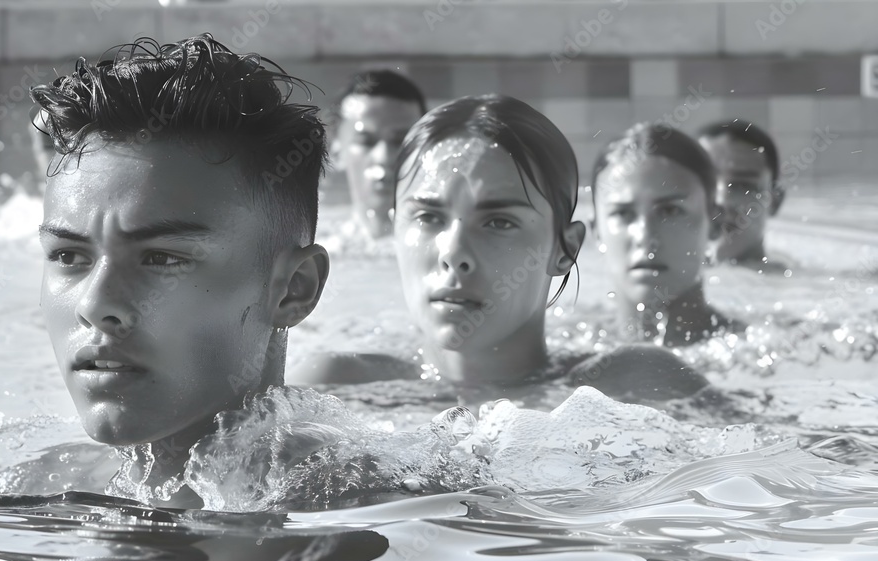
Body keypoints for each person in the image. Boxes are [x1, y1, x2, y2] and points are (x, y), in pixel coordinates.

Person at [32, 34, 330, 508]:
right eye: (69, 257)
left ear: (294, 288)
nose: (95, 306)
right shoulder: (26, 485)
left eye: (162, 258)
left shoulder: (366, 511)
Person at [293, 96, 709, 401]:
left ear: (565, 248)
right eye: (427, 218)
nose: (453, 252)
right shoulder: (333, 388)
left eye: (498, 222)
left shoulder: (635, 386)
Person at [591, 122, 745, 348]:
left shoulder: (759, 352)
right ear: (596, 232)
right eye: (623, 213)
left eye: (670, 211)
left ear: (715, 223)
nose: (645, 236)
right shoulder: (569, 351)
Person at [329, 69, 426, 240]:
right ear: (337, 153)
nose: (385, 157)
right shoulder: (323, 245)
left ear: (425, 151)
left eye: (400, 141)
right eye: (366, 142)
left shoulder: (445, 245)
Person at [696, 119, 788, 271]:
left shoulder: (798, 287)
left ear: (775, 201)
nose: (721, 200)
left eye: (742, 186)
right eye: (706, 183)